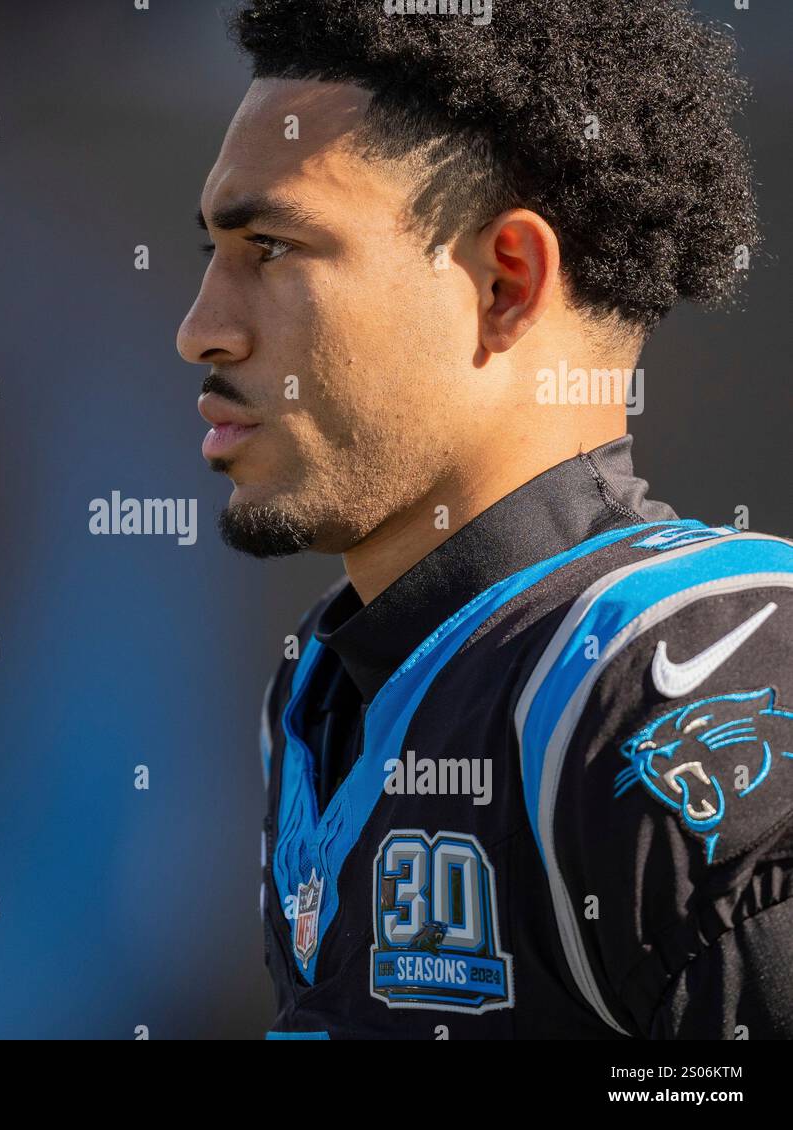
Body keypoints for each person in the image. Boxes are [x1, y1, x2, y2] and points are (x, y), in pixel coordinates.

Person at [177, 0, 791, 1038]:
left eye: (272, 248)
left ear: (505, 281)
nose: (200, 330)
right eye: (211, 252)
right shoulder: (332, 687)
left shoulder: (677, 684)